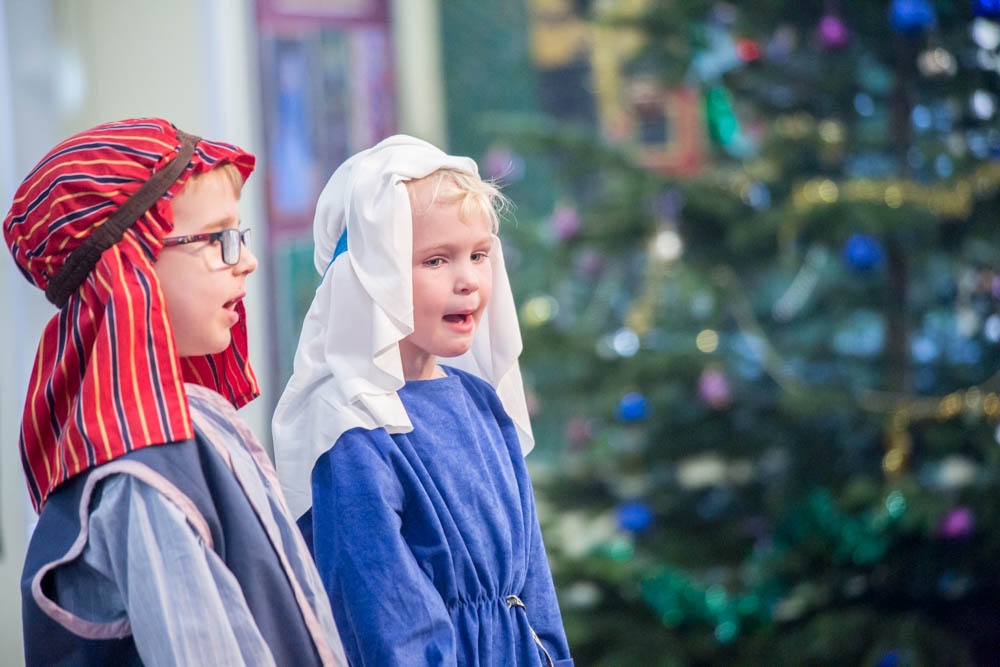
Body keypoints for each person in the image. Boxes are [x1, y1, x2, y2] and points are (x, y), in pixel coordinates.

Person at [4, 118, 347, 666]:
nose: (248, 261)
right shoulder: (138, 474)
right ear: (129, 267)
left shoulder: (189, 423)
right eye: (219, 239)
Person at [272, 134, 574, 666]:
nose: (469, 281)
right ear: (373, 276)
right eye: (436, 261)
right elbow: (388, 628)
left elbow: (535, 592)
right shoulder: (354, 434)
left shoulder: (482, 405)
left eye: (480, 255)